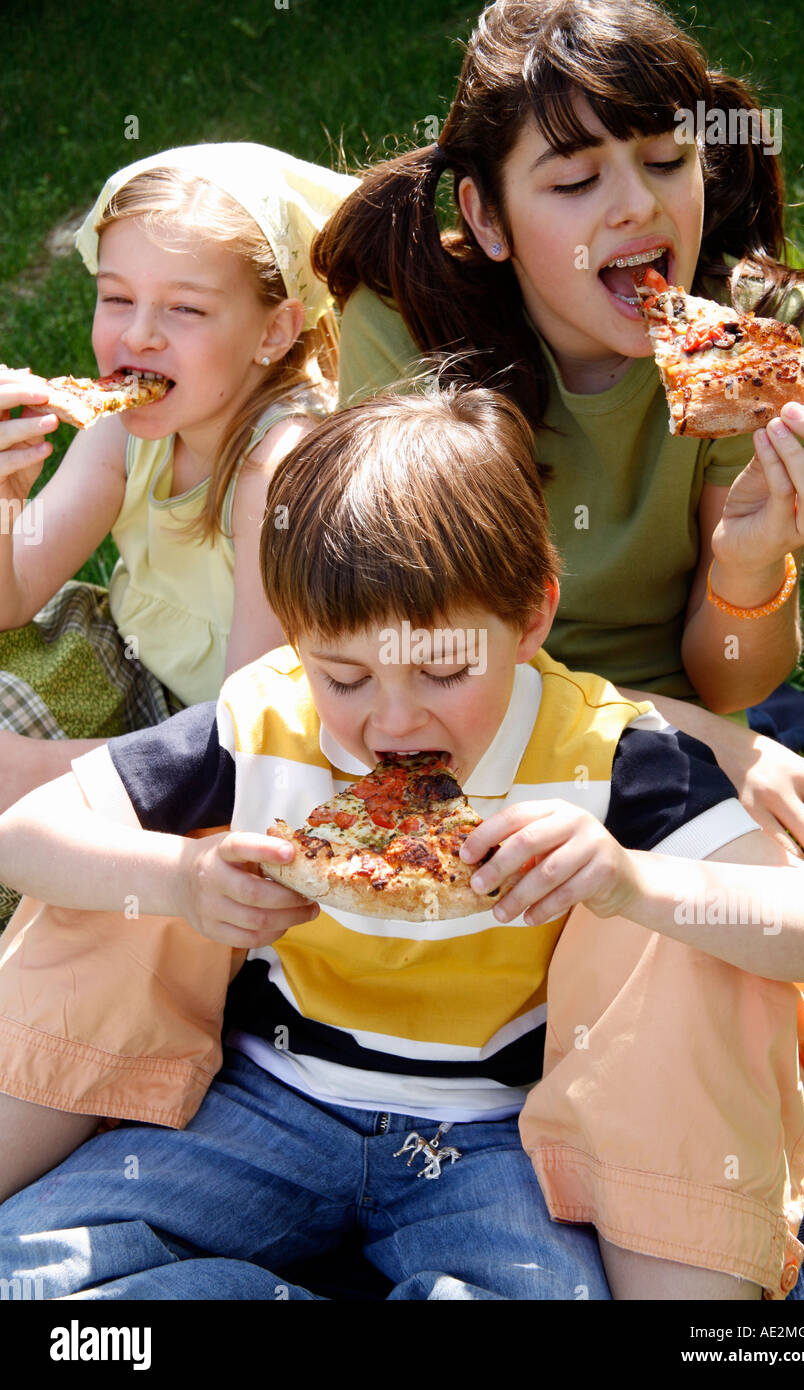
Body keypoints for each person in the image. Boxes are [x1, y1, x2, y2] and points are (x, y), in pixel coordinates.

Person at [0, 385, 804, 1300]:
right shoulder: (269, 720)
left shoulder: (610, 754)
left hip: (493, 1139)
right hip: (271, 1101)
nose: (392, 718)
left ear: (531, 621)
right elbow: (24, 835)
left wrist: (627, 881)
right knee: (26, 1273)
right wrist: (183, 875)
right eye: (346, 676)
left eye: (444, 670)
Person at [311, 0, 804, 894]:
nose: (639, 206)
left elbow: (727, 682)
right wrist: (717, 743)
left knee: (742, 922)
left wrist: (754, 560)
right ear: (488, 220)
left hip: (676, 709)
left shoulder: (760, 338)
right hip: (451, 710)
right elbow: (409, 640)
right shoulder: (402, 328)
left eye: (666, 161)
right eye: (575, 183)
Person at [0, 142, 355, 1188]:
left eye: (184, 311)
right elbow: (15, 594)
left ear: (276, 330)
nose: (134, 337)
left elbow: (252, 730)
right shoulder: (128, 429)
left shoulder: (276, 465)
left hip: (251, 757)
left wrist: (53, 777)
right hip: (147, 686)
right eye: (116, 299)